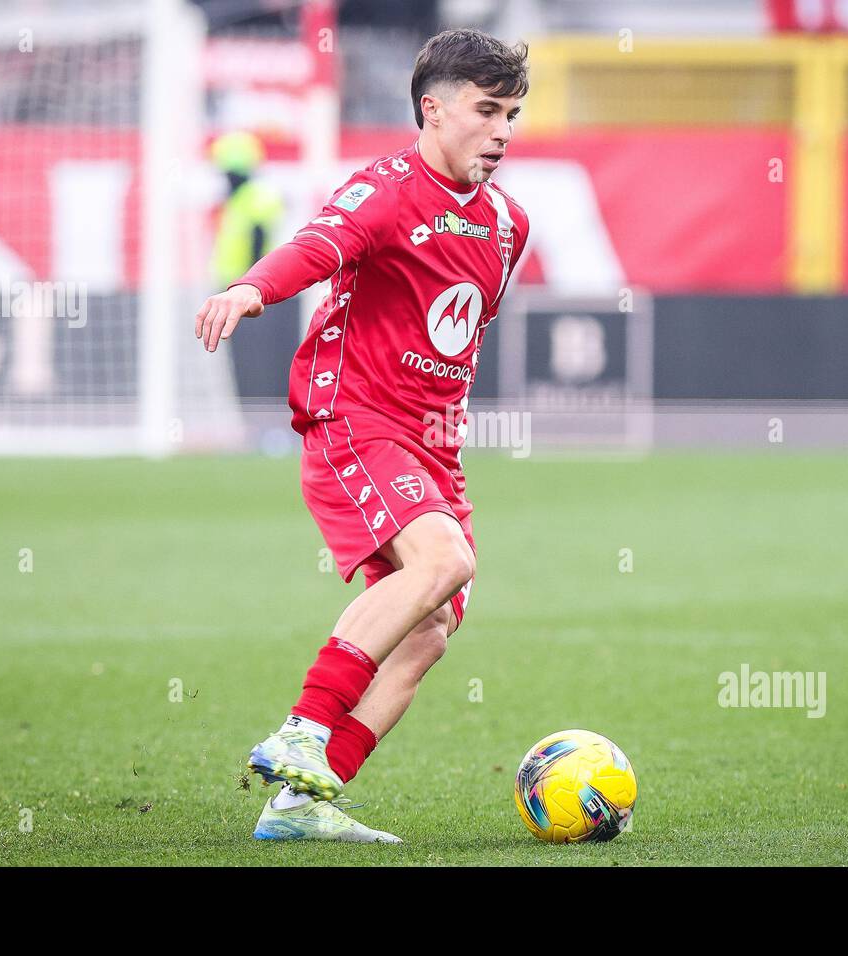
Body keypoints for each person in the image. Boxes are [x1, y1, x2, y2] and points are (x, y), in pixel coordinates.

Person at [194, 28, 531, 843]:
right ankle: (302, 730)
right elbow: (318, 246)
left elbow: (452, 343)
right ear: (434, 109)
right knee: (447, 561)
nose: (502, 131)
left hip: (432, 446)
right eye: (486, 111)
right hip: (355, 423)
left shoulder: (510, 225)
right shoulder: (385, 188)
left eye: (512, 114)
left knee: (430, 631)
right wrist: (251, 288)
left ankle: (303, 802)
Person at [207, 131, 286, 290]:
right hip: (236, 282)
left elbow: (259, 237)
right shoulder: (239, 198)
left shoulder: (255, 196)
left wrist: (250, 282)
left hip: (246, 285)